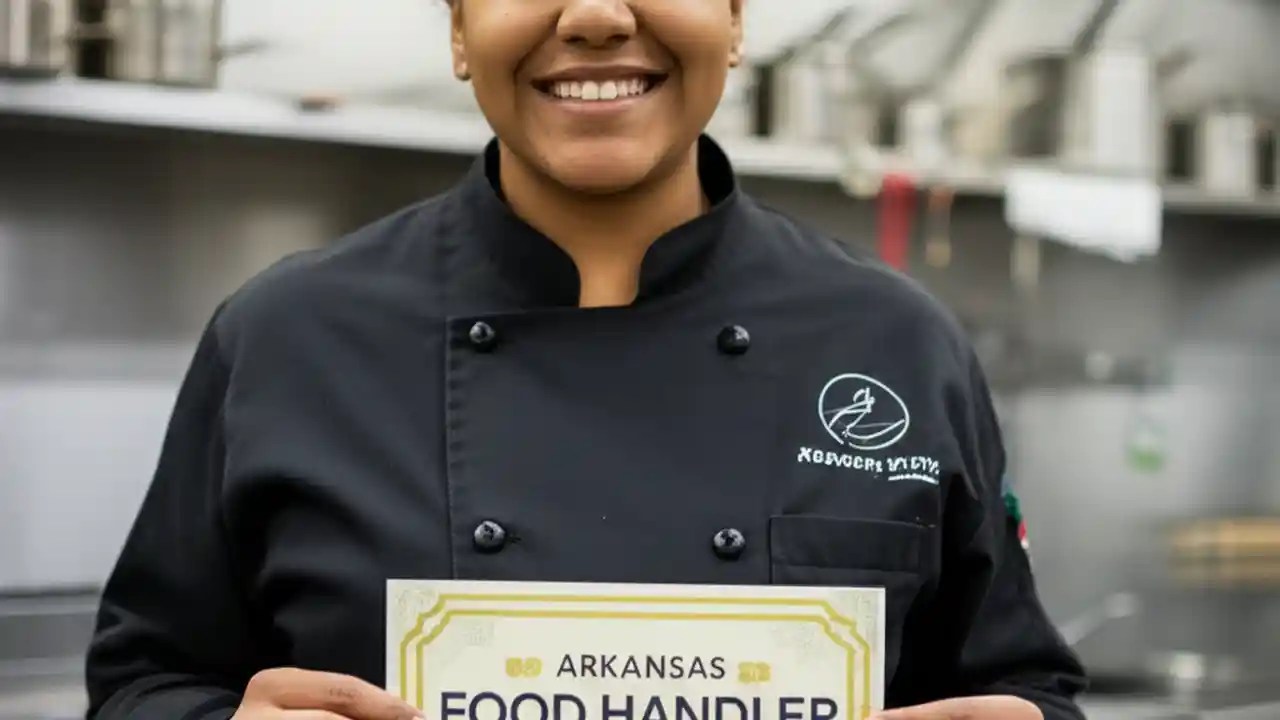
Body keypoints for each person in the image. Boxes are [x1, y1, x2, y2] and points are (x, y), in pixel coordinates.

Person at [84, 1, 1088, 719]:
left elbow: (1025, 687)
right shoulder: (285, 335)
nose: (598, 16)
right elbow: (143, 684)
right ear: (458, 29)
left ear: (736, 19)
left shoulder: (897, 341)